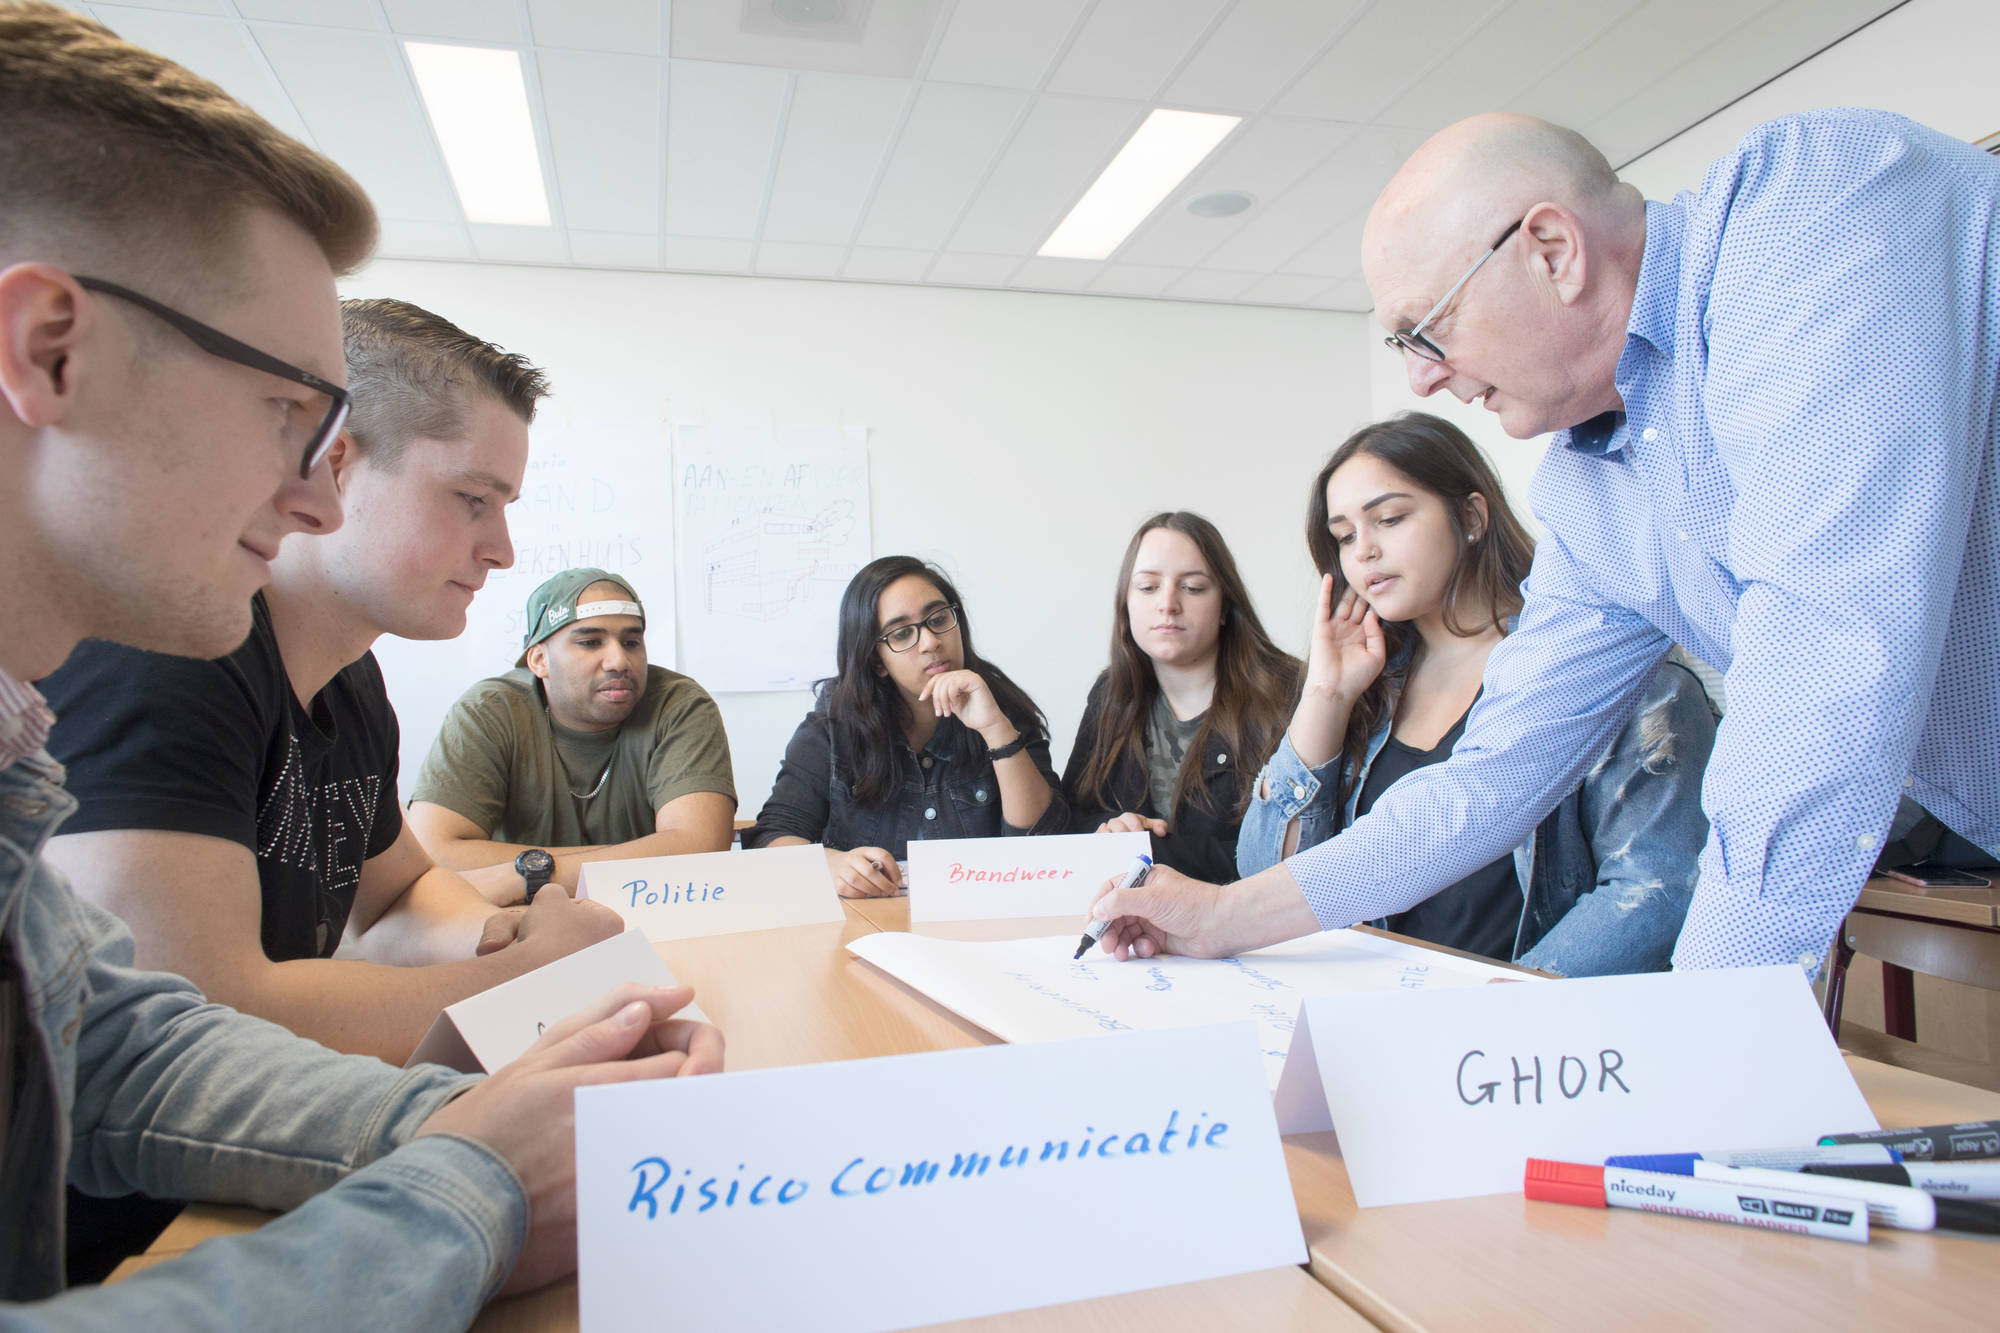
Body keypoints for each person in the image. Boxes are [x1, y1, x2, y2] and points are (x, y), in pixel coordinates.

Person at [0, 6, 716, 1317]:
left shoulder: (32, 742)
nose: (313, 494)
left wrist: (473, 1121)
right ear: (50, 349)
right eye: (287, 412)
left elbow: (127, 1042)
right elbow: (213, 992)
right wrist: (473, 1176)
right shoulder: (165, 657)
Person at [1089, 108, 2000, 973]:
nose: (1422, 379)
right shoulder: (1596, 483)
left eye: (1426, 330)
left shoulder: (1810, 213)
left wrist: (1712, 1028)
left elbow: (1819, 683)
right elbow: (1489, 779)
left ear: (1553, 251)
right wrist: (1224, 916)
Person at [40, 298, 624, 1067]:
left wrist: (502, 936)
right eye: (472, 500)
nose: (502, 550)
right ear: (335, 463)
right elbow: (188, 1017)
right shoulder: (164, 652)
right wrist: (526, 979)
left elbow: (394, 900)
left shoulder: (352, 683)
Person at [1236, 413, 1715, 972]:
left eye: (1389, 519)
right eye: (1344, 536)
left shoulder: (1613, 674)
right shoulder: (1373, 688)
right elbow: (1264, 882)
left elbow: (1654, 891)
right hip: (1379, 1004)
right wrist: (1326, 696)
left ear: (1470, 517)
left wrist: (1497, 1008)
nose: (1362, 551)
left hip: (1521, 1021)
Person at [409, 568, 737, 904]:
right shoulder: (488, 711)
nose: (619, 661)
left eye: (631, 642)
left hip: (649, 911)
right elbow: (432, 852)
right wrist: (646, 857)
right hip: (517, 919)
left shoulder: (678, 705)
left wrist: (528, 874)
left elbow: (700, 849)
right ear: (539, 660)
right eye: (590, 642)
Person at [747, 556, 1067, 897]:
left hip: (983, 917)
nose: (930, 642)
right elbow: (772, 836)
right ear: (877, 661)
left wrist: (995, 729)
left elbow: (1048, 847)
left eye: (939, 619)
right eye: (902, 634)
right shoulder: (834, 724)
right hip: (867, 922)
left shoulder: (1001, 709)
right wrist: (832, 865)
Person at [1062, 512, 1301, 884]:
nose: (1168, 604)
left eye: (1192, 587)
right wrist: (1114, 829)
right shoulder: (1111, 693)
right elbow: (1070, 823)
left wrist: (1149, 849)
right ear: (1125, 604)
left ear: (1225, 606)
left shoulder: (1290, 693)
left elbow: (1288, 851)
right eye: (1148, 587)